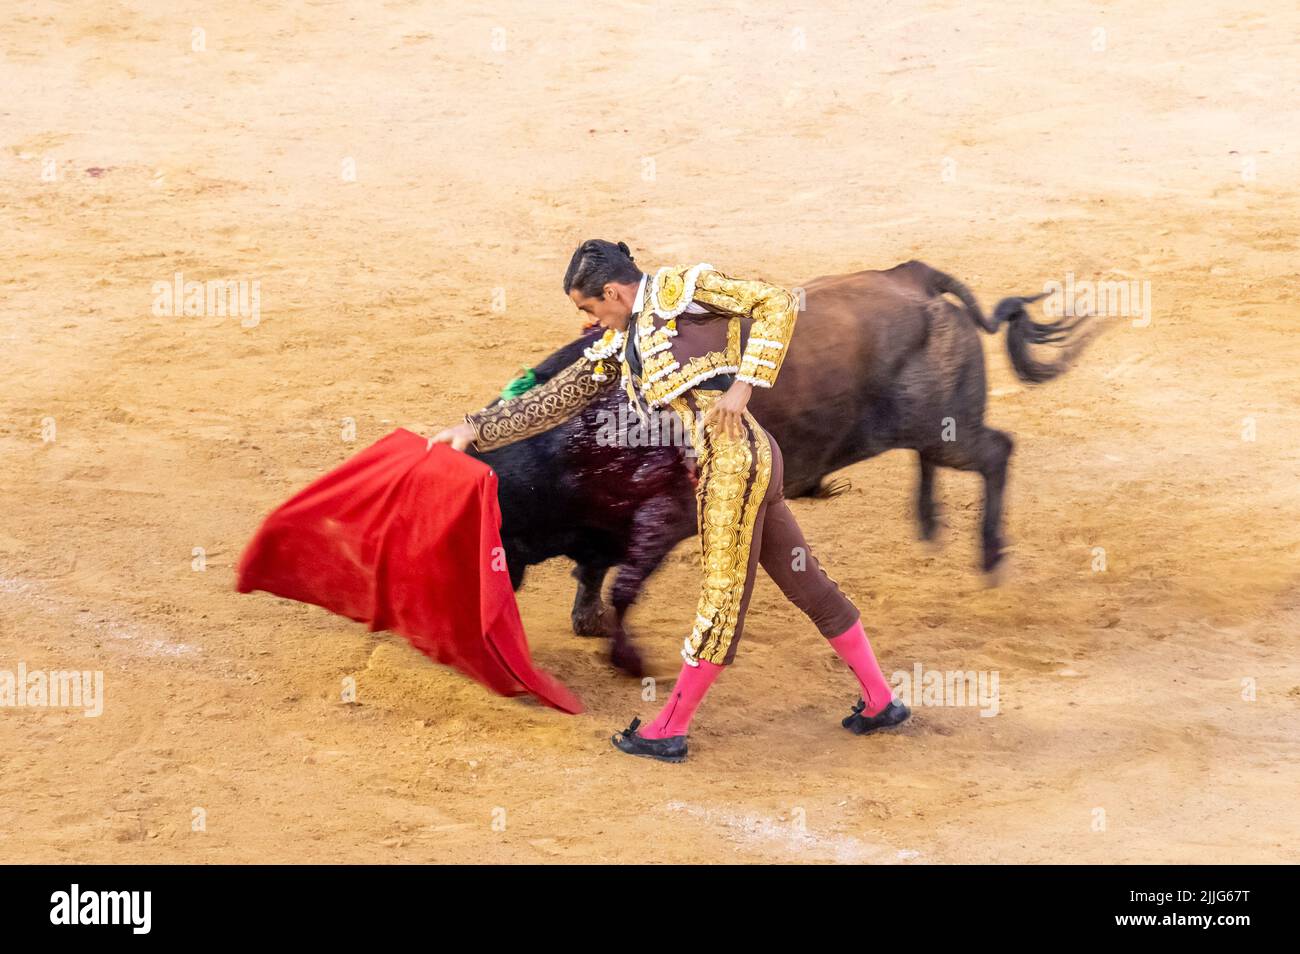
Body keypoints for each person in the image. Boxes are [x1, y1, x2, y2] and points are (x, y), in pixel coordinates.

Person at [433, 240, 909, 762]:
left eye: (590, 308)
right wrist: (475, 429)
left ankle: (670, 727)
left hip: (732, 466)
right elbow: (561, 394)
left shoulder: (685, 289)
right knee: (808, 584)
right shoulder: (624, 341)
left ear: (612, 291)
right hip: (746, 462)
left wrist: (744, 387)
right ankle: (880, 699)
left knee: (721, 600)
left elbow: (775, 301)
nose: (593, 321)